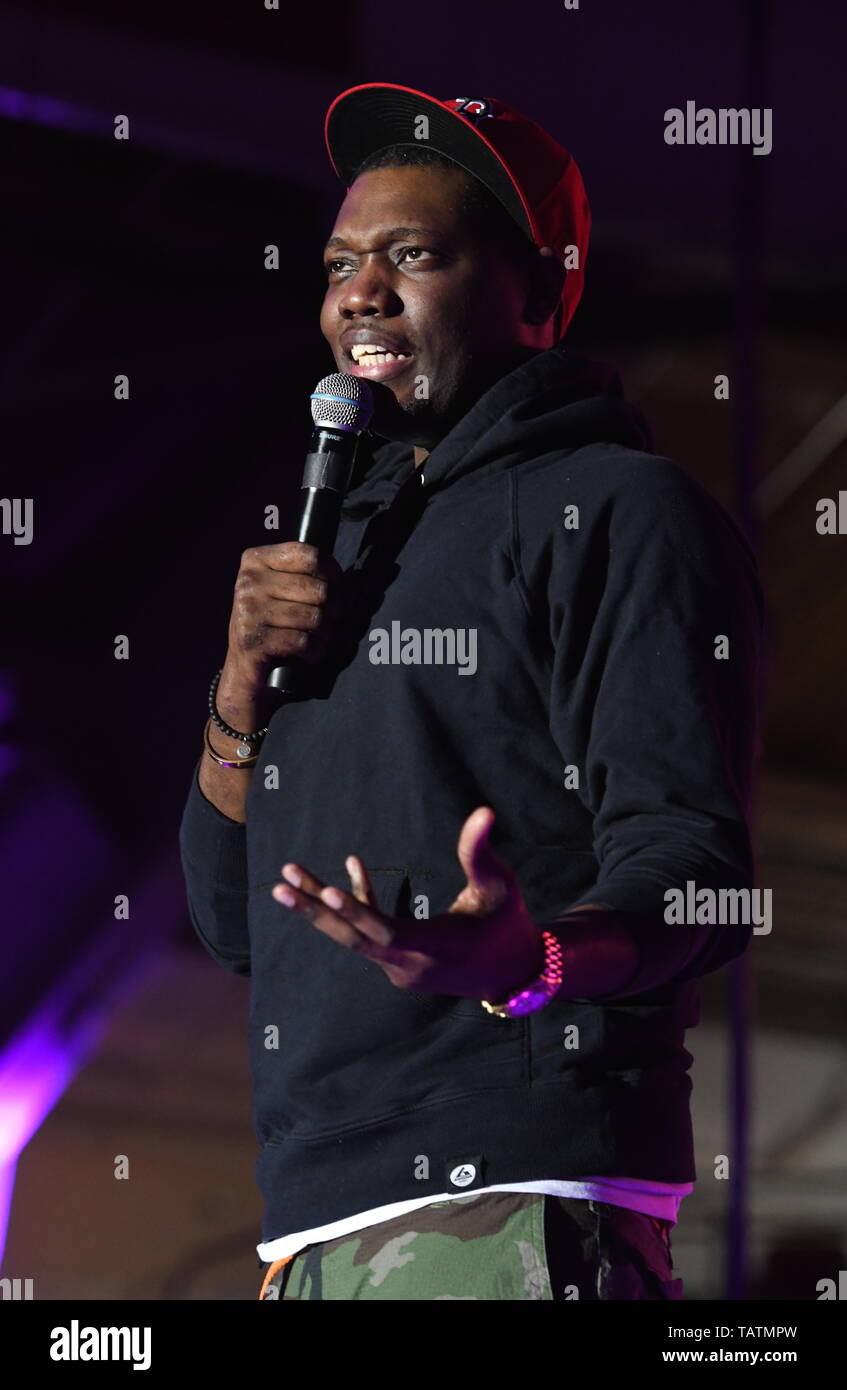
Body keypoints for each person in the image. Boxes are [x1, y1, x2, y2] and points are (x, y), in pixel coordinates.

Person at [178, 84, 764, 1301]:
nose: (360, 293)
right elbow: (235, 925)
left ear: (540, 292)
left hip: (512, 1199)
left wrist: (530, 956)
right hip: (308, 1226)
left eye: (415, 255)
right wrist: (239, 690)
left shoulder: (618, 512)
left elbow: (697, 870)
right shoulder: (341, 550)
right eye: (342, 263)